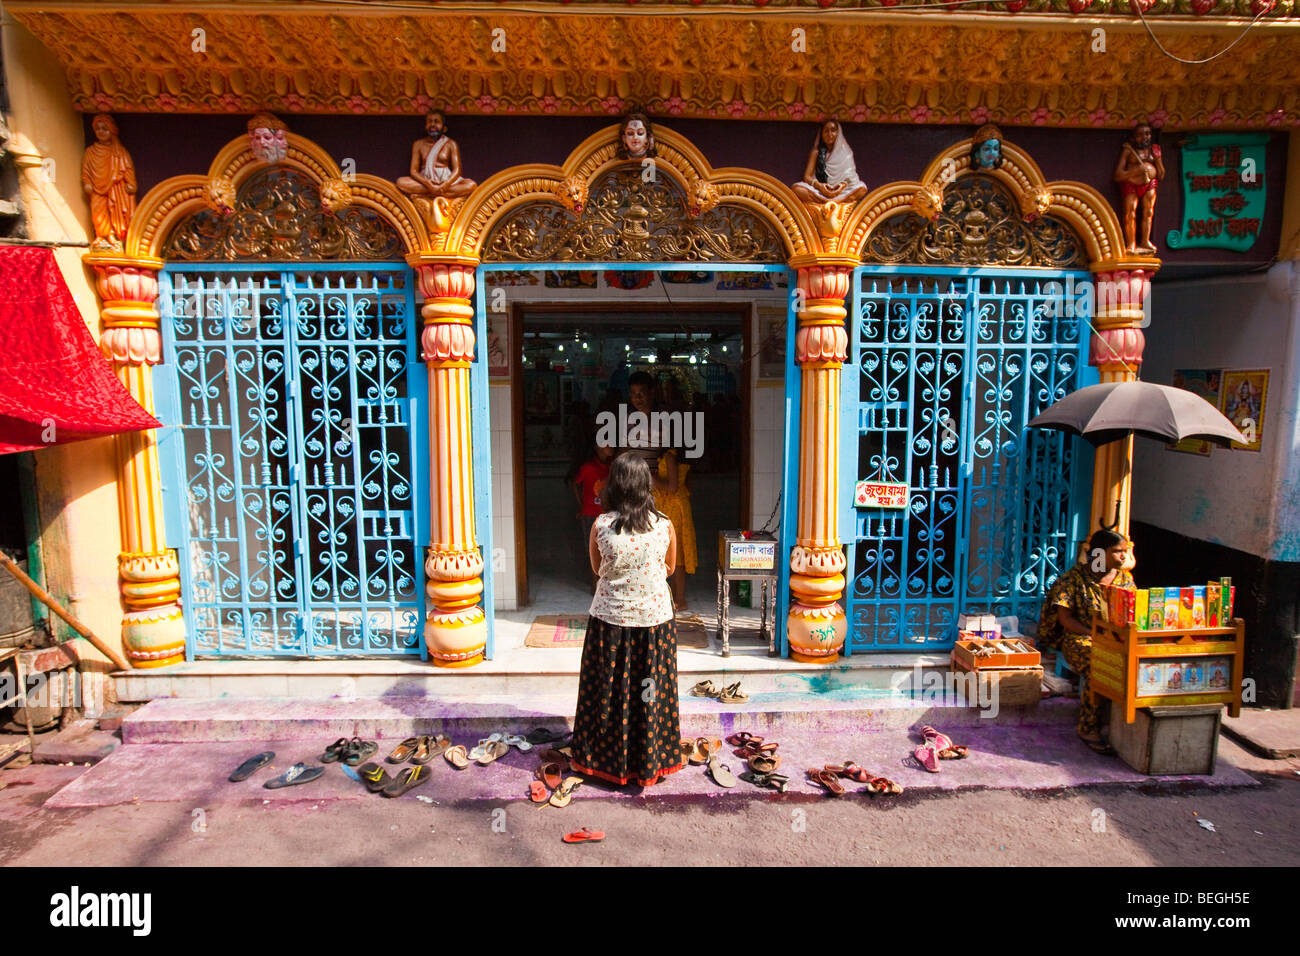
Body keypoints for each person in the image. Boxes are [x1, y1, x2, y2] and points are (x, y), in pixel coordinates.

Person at [571, 453, 683, 787]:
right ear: (645, 485)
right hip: (654, 625)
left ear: (615, 485)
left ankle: (606, 763)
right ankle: (650, 763)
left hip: (610, 622)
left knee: (608, 691)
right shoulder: (664, 524)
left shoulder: (601, 525)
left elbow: (595, 569)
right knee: (649, 693)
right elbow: (670, 568)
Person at [1037, 529, 1136, 754]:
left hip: (1115, 638)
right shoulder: (1073, 580)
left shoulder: (1125, 580)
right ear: (1100, 553)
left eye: (1125, 551)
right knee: (1099, 664)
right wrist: (1094, 635)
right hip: (1080, 637)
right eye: (1117, 551)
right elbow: (1066, 619)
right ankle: (1088, 726)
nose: (1123, 556)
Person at [627, 370, 697, 610]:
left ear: (652, 393)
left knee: (667, 548)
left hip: (662, 494)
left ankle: (674, 597)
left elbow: (673, 469)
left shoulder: (663, 422)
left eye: (642, 393)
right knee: (642, 544)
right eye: (634, 394)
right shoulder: (627, 422)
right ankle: (648, 593)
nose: (638, 398)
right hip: (640, 491)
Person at [81, 113, 137, 247]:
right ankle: (103, 236)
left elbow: (127, 169)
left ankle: (114, 237)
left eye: (104, 128)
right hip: (97, 190)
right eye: (98, 128)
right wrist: (87, 183)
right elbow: (86, 171)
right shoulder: (90, 152)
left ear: (111, 130)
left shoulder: (119, 152)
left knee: (116, 213)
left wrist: (131, 184)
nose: (101, 132)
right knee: (98, 214)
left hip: (115, 188)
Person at [396, 111, 477, 200]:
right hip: (425, 181)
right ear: (425, 126)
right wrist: (428, 184)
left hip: (446, 181)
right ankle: (438, 192)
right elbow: (413, 171)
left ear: (444, 128)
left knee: (471, 185)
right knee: (401, 182)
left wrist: (445, 185)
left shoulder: (451, 144)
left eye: (436, 121)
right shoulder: (418, 144)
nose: (432, 125)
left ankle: (432, 193)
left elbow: (457, 170)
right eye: (429, 121)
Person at [792, 120, 868, 204]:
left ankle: (830, 201)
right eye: (826, 131)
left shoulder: (846, 153)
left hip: (841, 192)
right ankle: (830, 201)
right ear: (821, 134)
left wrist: (840, 187)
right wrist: (820, 186)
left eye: (833, 130)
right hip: (820, 191)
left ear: (838, 133)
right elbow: (807, 177)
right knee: (797, 188)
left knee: (862, 188)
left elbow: (850, 178)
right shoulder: (816, 152)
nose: (829, 134)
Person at [572, 442, 614, 590]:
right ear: (597, 448)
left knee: (609, 549)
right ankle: (595, 584)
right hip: (590, 513)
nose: (611, 447)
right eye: (607, 444)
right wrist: (581, 505)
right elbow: (575, 483)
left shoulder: (612, 467)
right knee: (592, 550)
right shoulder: (587, 467)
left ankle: (606, 583)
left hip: (609, 514)